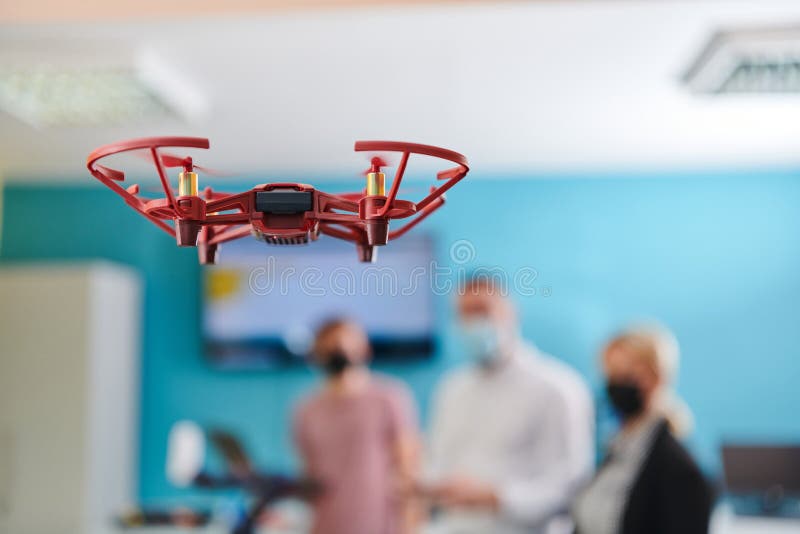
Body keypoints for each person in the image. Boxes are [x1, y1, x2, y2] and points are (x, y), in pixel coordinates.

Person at [423, 275, 595, 534]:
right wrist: (422, 483)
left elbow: (571, 484)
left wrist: (496, 498)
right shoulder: (452, 389)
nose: (473, 323)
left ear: (510, 312)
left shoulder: (559, 388)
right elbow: (438, 463)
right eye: (464, 314)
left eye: (481, 310)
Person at [571, 325, 713, 534]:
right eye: (611, 375)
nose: (616, 385)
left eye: (626, 375)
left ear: (657, 378)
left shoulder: (679, 468)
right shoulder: (618, 450)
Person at [293, 318, 420, 534]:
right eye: (328, 346)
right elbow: (309, 474)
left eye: (342, 344)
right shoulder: (306, 409)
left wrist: (409, 525)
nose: (337, 352)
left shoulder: (389, 397)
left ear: (364, 348)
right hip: (327, 525)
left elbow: (408, 470)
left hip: (381, 525)